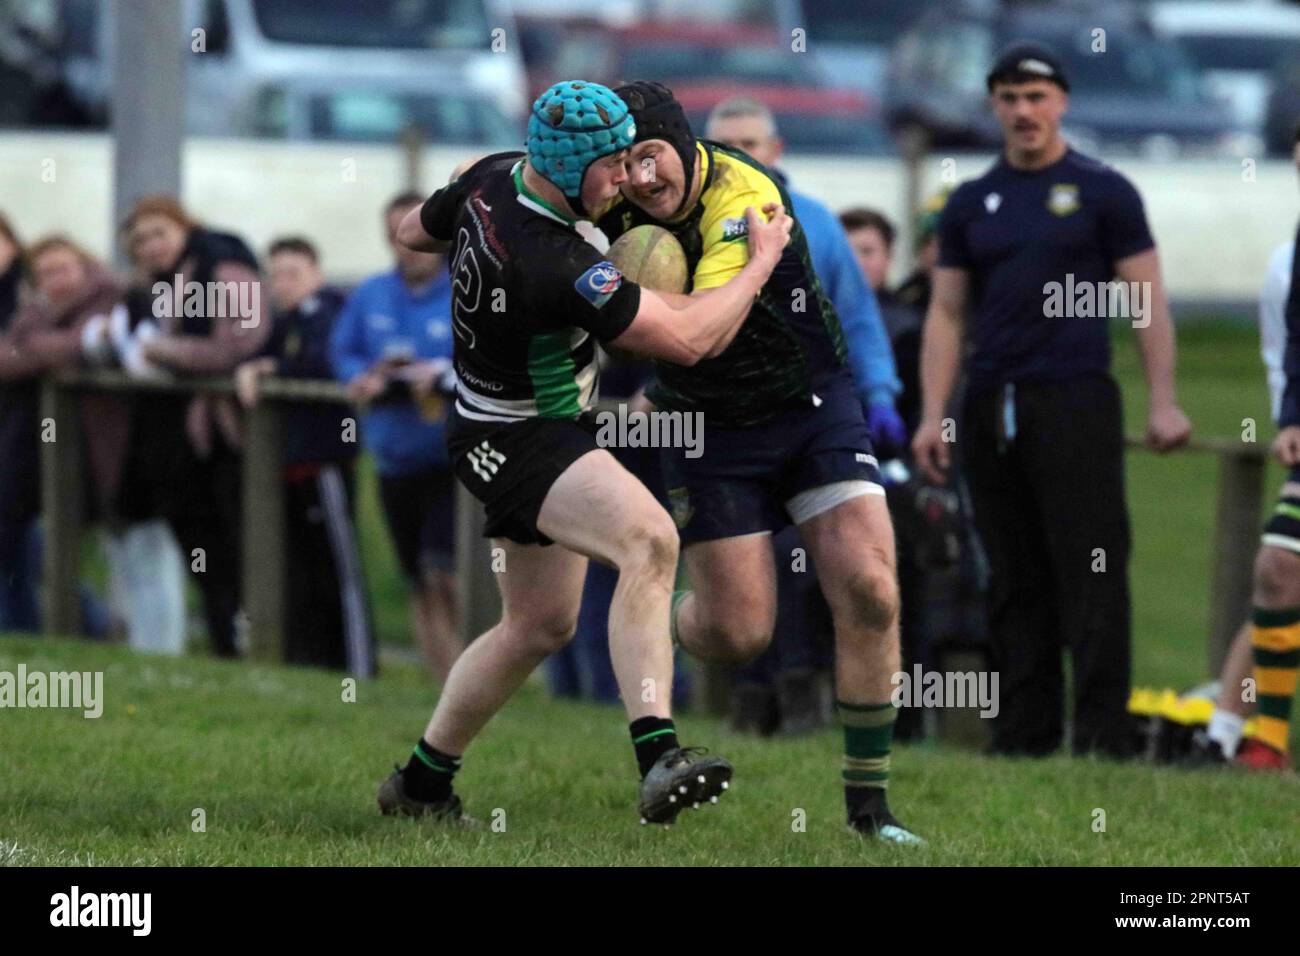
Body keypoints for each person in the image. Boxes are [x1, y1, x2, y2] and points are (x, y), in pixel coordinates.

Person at [380, 79, 792, 826]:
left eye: (636, 160)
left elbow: (413, 230)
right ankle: (659, 754)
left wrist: (467, 206)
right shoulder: (557, 262)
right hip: (519, 434)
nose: (629, 180)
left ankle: (419, 787)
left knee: (537, 626)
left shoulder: (489, 177)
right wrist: (760, 261)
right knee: (648, 539)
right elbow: (691, 342)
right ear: (569, 170)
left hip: (498, 421)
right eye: (614, 167)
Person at [598, 80, 922, 842]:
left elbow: (698, 334)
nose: (641, 178)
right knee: (740, 634)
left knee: (872, 590)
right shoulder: (603, 193)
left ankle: (869, 810)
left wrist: (613, 304)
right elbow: (527, 192)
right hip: (707, 430)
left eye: (652, 157)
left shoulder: (747, 197)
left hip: (810, 404)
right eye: (624, 163)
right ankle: (654, 609)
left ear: (682, 143)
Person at [913, 43, 1192, 758]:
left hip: (1073, 399)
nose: (1023, 111)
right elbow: (947, 314)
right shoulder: (972, 202)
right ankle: (1023, 734)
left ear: (1061, 102)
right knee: (1011, 572)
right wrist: (933, 413)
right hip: (991, 403)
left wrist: (1164, 400)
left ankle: (1103, 736)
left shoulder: (1105, 191)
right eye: (1008, 98)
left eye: (1036, 97)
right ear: (995, 107)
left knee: (1091, 566)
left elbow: (1145, 300)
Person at [704, 95, 905, 736]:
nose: (738, 154)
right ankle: (750, 693)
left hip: (809, 421)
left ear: (776, 150)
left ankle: (800, 692)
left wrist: (880, 393)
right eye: (724, 143)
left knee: (820, 568)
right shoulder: (694, 223)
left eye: (751, 144)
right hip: (724, 425)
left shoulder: (815, 223)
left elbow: (858, 316)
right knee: (742, 579)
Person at [1191, 121, 1300, 770]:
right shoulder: (1290, 256)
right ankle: (1254, 740)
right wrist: (1289, 415)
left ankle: (1229, 727)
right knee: (1280, 569)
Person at [120, 195, 269, 658]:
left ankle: (259, 642)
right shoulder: (158, 286)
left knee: (242, 542)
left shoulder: (224, 266)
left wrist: (162, 352)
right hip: (185, 439)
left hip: (232, 433)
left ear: (184, 227)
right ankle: (227, 643)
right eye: (140, 240)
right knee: (204, 548)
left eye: (159, 232)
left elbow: (238, 345)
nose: (150, 245)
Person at [329, 193, 461, 682]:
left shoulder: (465, 287)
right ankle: (439, 678)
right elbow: (342, 351)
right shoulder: (370, 293)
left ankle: (470, 677)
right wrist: (363, 375)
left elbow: (493, 357)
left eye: (419, 235)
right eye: (397, 236)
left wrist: (444, 372)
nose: (408, 246)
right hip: (391, 457)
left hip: (453, 458)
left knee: (446, 572)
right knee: (416, 577)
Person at [236, 237, 375, 677]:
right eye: (274, 275)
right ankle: (313, 661)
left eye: (292, 273)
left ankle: (358, 666)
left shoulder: (329, 312)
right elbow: (258, 356)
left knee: (340, 569)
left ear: (316, 272)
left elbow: (327, 363)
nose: (282, 284)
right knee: (304, 570)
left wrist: (271, 369)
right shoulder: (287, 321)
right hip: (294, 465)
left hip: (326, 463)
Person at [0, 234, 117, 641]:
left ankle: (92, 626)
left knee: (124, 547)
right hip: (29, 441)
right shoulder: (38, 307)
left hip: (92, 446)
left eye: (62, 269)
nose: (55, 279)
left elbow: (79, 347)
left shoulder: (108, 297)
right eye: (46, 272)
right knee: (24, 543)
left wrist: (34, 349)